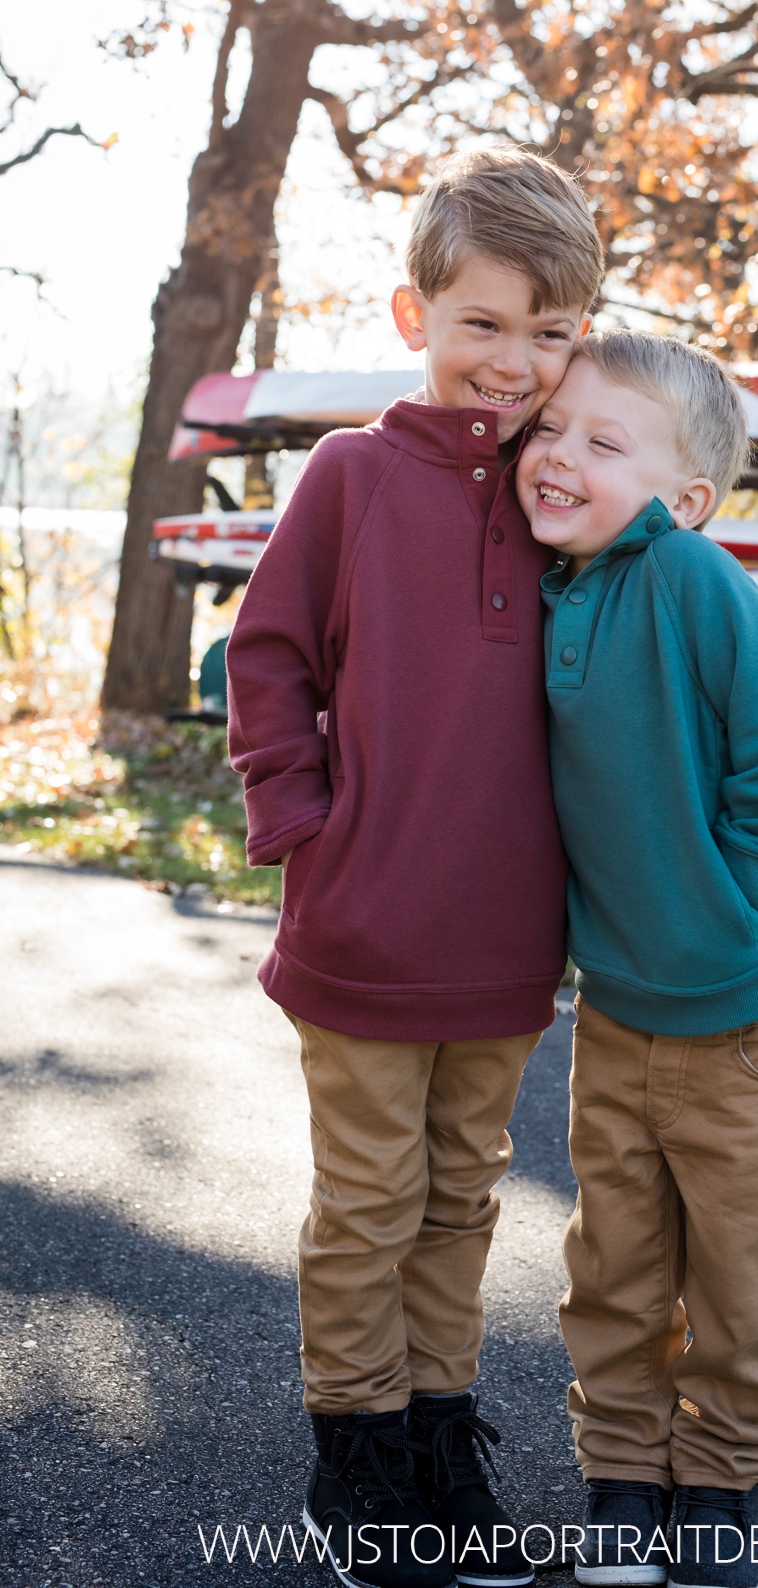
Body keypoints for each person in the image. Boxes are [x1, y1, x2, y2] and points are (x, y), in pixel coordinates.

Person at [226, 147, 604, 1588]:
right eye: (485, 324)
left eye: (550, 332)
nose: (514, 363)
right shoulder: (350, 476)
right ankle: (363, 1475)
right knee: (371, 1201)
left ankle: (443, 1454)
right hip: (365, 924)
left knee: (465, 1198)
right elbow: (262, 655)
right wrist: (303, 820)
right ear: (416, 317)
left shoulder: (570, 496)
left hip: (510, 939)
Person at [515, 331, 758, 1588]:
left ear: (684, 499)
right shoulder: (536, 587)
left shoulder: (695, 578)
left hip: (747, 1018)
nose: (558, 456)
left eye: (604, 443)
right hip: (621, 1018)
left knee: (747, 1279)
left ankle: (721, 1490)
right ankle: (624, 1485)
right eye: (552, 429)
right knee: (615, 1267)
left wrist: (744, 899)